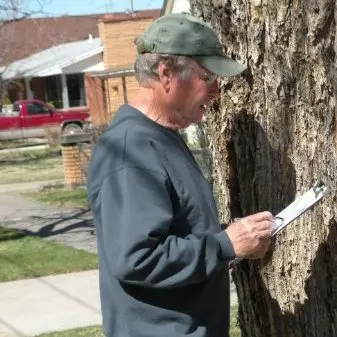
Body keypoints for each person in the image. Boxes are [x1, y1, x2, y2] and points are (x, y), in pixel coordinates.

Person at [87, 13, 273, 337]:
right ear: (167, 74)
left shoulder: (162, 138)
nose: (217, 90)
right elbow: (137, 258)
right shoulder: (132, 152)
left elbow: (176, 232)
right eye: (207, 76)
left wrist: (235, 241)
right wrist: (225, 245)